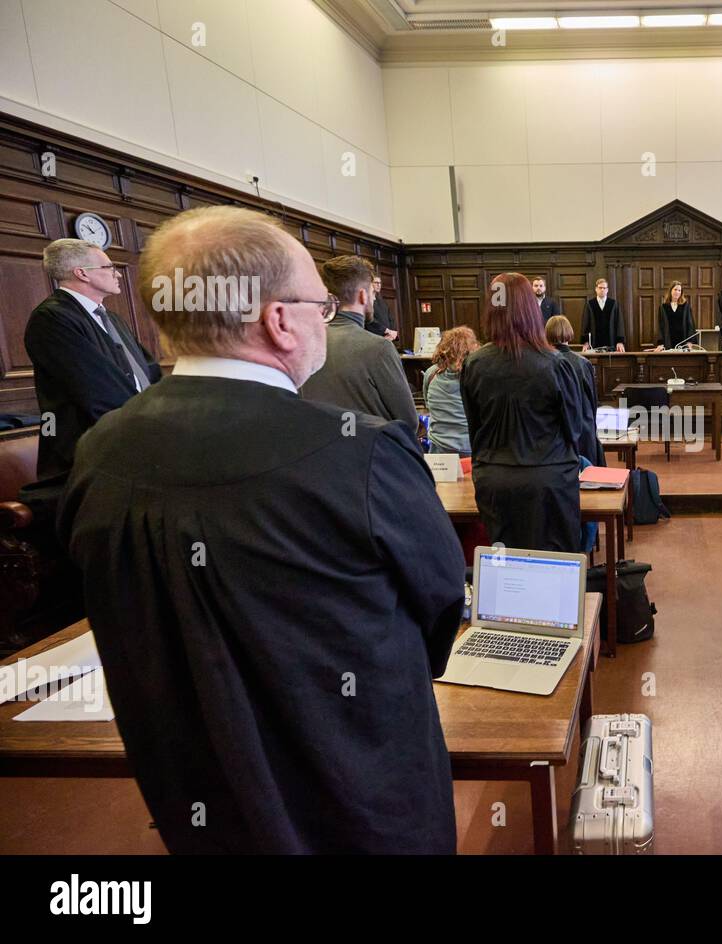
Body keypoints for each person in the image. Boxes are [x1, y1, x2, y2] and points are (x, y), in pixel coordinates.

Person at [56, 205, 465, 853]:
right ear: (279, 320)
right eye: (321, 309)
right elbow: (440, 601)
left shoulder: (101, 448)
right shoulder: (360, 450)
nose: (325, 324)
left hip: (195, 788)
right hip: (355, 782)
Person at [461, 272, 585, 552]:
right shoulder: (555, 363)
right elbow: (574, 428)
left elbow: (474, 427)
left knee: (506, 565)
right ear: (531, 308)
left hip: (495, 478)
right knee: (555, 563)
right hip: (548, 478)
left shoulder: (474, 364)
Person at [24, 238, 161, 477]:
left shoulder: (112, 318)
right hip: (93, 453)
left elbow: (147, 371)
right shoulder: (51, 319)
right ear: (82, 273)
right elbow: (97, 390)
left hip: (137, 436)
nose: (117, 274)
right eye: (109, 267)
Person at [299, 255, 418, 436]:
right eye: (373, 293)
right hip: (372, 455)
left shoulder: (304, 344)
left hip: (319, 453)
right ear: (363, 295)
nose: (375, 299)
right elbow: (409, 421)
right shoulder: (379, 348)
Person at [547, 314, 605, 466]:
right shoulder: (582, 363)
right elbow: (593, 400)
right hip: (583, 428)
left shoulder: (543, 363)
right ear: (569, 333)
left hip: (554, 435)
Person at [422, 326, 479, 456]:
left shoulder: (431, 374)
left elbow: (428, 406)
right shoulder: (478, 376)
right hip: (471, 449)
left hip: (439, 451)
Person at [580, 278, 624, 351]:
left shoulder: (613, 304)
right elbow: (585, 324)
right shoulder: (590, 304)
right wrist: (586, 342)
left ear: (607, 290)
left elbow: (619, 323)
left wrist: (620, 341)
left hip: (611, 343)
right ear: (596, 289)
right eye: (600, 288)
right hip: (594, 344)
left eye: (604, 288)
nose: (602, 290)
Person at [655, 281, 695, 350]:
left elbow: (690, 324)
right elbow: (661, 325)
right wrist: (660, 343)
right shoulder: (663, 307)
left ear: (681, 293)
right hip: (668, 341)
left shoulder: (685, 306)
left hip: (683, 341)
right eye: (675, 289)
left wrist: (690, 341)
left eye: (679, 290)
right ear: (670, 290)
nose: (677, 292)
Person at [365, 273, 399, 342]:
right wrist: (387, 331)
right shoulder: (366, 301)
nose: (379, 285)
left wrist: (393, 333)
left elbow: (391, 318)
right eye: (376, 283)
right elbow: (370, 320)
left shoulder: (381, 301)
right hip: (375, 339)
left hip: (389, 338)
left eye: (380, 283)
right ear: (370, 284)